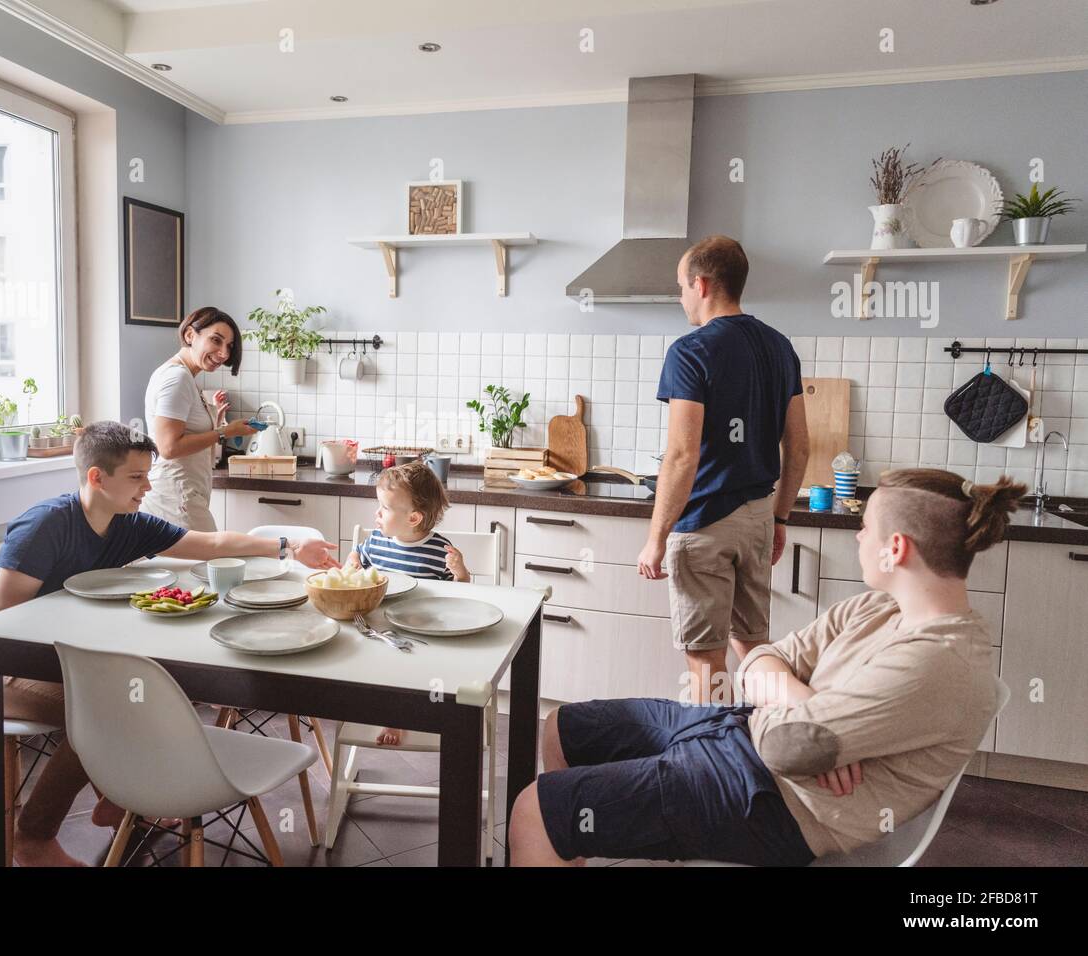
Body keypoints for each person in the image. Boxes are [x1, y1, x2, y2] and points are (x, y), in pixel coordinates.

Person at [509, 469, 1020, 866]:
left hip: (779, 806)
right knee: (564, 729)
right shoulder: (877, 607)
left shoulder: (939, 663)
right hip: (739, 733)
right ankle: (574, 836)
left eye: (864, 529)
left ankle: (560, 830)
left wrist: (797, 716)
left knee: (533, 813)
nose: (857, 538)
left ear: (896, 548)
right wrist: (809, 709)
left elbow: (785, 745)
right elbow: (757, 657)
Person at [0, 420, 339, 866]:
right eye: (136, 477)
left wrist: (290, 545)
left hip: (56, 664)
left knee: (141, 694)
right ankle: (32, 838)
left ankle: (120, 795)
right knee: (104, 710)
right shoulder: (45, 526)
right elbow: (1, 628)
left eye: (148, 475)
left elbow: (209, 544)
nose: (148, 486)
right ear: (97, 477)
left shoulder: (127, 523)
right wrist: (90, 672)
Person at [637, 235, 809, 704]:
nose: (680, 298)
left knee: (705, 660)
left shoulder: (690, 351)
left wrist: (656, 538)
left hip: (706, 524)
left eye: (681, 287)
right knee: (755, 650)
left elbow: (681, 456)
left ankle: (708, 767)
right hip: (757, 516)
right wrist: (779, 517)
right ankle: (777, 745)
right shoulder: (779, 347)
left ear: (702, 283)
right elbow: (798, 447)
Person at [346, 460, 469, 744]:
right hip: (377, 627)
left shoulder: (440, 550)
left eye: (385, 508)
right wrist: (352, 562)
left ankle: (396, 718)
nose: (376, 513)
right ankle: (380, 706)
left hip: (420, 631)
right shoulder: (376, 540)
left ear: (413, 518)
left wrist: (461, 571)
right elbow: (357, 559)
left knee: (404, 666)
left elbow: (460, 593)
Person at [138, 307, 257, 530]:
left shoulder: (182, 376)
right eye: (216, 340)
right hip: (175, 498)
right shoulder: (178, 377)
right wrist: (226, 432)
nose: (223, 353)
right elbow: (169, 447)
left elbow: (182, 431)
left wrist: (218, 421)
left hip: (180, 495)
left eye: (229, 346)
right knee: (208, 560)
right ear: (190, 335)